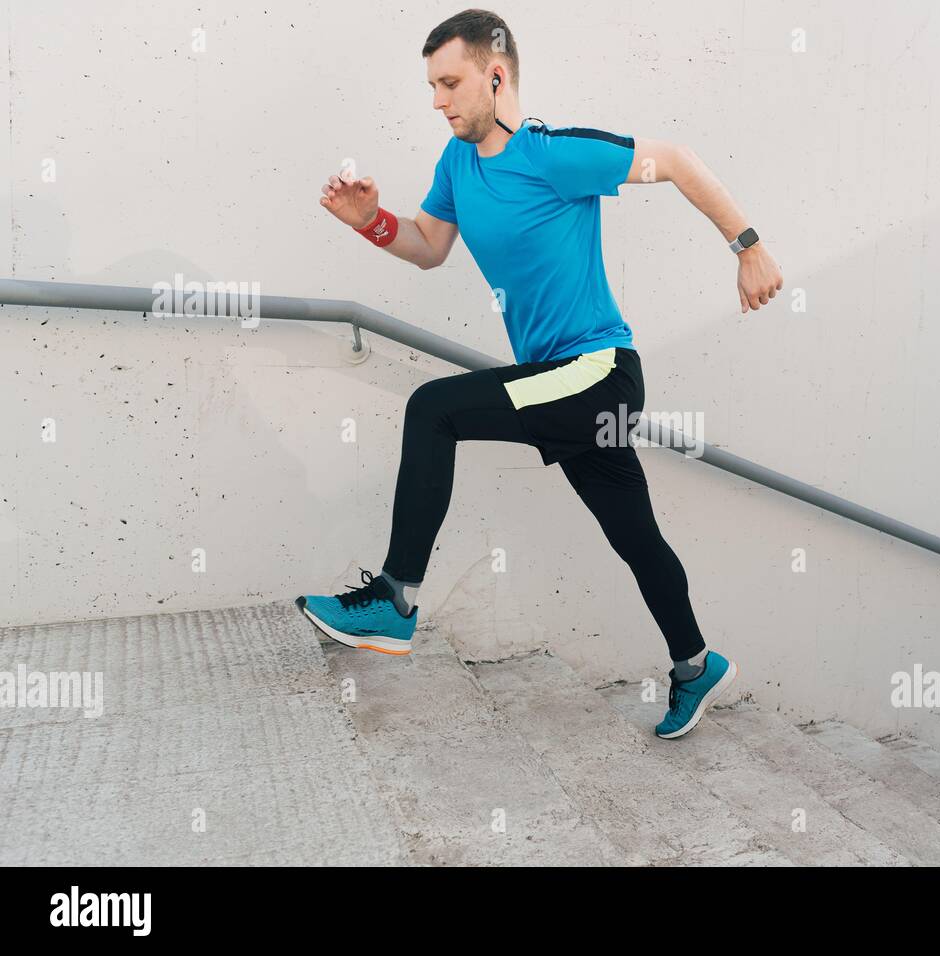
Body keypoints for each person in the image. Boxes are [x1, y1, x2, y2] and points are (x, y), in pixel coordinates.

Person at [297, 9, 783, 739]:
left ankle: (394, 601)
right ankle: (695, 663)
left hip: (596, 374)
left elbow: (676, 159)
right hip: (561, 383)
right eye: (431, 86)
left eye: (451, 82)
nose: (439, 101)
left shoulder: (554, 155)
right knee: (635, 536)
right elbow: (429, 247)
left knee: (435, 408)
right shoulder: (457, 164)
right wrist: (370, 220)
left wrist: (748, 247)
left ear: (496, 75)